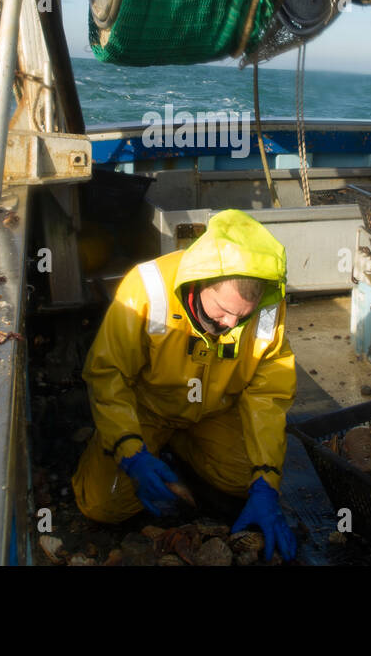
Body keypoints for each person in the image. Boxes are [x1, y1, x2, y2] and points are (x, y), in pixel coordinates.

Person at [71, 208, 297, 561]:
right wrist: (130, 451)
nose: (230, 324)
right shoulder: (146, 286)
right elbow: (107, 373)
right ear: (203, 281)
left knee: (249, 482)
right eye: (221, 311)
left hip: (215, 412)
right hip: (148, 410)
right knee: (101, 505)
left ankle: (182, 449)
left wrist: (267, 480)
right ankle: (148, 451)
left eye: (242, 316)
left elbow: (267, 394)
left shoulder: (267, 306)